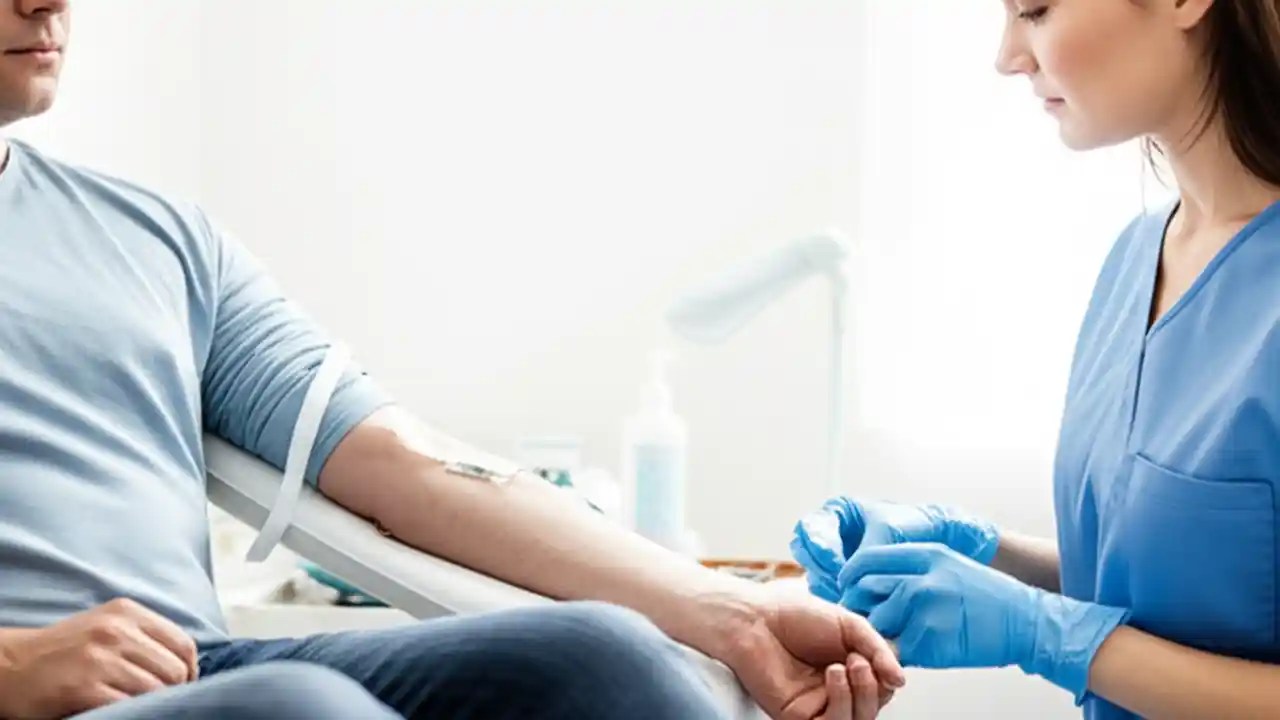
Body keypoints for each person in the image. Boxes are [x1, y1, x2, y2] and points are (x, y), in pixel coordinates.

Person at [0, 1, 908, 719]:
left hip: (197, 675)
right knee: (298, 708)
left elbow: (408, 466)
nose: (48, 3)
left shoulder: (156, 241)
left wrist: (737, 615)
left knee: (599, 658)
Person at [791, 1, 1280, 719]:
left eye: (1036, 10)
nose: (1008, 54)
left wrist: (1041, 632)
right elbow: (1178, 588)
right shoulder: (1137, 259)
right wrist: (983, 553)